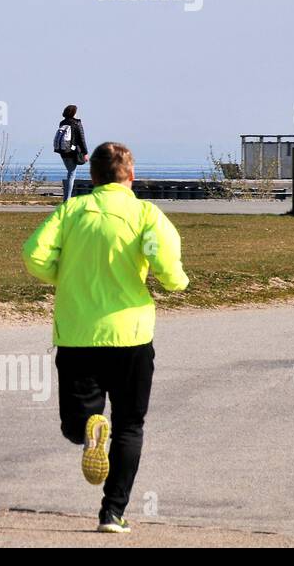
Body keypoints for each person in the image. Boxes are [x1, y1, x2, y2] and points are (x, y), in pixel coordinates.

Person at [21, 142, 189, 534]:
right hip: (131, 335)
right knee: (130, 425)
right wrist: (175, 282)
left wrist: (61, 276)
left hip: (79, 334)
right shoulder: (146, 213)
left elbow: (34, 254)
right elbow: (165, 260)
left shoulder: (72, 211)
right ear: (131, 176)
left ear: (92, 177)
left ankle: (87, 429)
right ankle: (112, 512)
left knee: (73, 422)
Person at [52, 104, 89, 203]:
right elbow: (81, 139)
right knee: (72, 174)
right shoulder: (77, 123)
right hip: (72, 151)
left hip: (63, 151)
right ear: (74, 113)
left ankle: (67, 197)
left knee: (70, 172)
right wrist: (85, 152)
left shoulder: (62, 123)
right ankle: (67, 199)